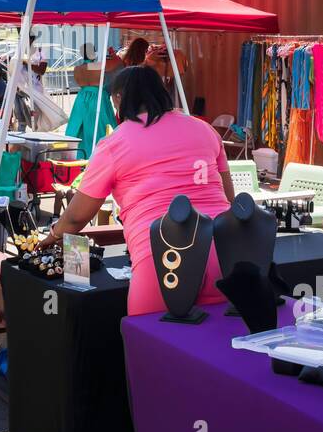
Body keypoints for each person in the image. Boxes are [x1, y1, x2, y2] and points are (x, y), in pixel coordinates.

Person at [37, 65, 235, 315]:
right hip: (223, 248)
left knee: (147, 343)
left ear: (119, 98)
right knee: (212, 343)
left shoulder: (115, 143)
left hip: (162, 258)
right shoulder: (204, 130)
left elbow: (77, 216)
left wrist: (54, 235)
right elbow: (229, 198)